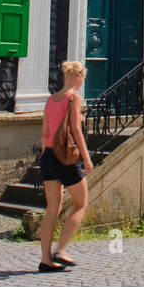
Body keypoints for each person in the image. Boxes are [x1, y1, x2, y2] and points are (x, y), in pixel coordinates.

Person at [38, 61, 93, 271]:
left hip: (48, 156)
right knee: (80, 204)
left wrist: (47, 156)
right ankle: (60, 250)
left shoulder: (51, 100)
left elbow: (44, 133)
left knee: (52, 209)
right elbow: (76, 130)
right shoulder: (73, 98)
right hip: (66, 158)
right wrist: (86, 159)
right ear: (78, 76)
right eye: (82, 78)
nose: (82, 82)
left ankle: (45, 259)